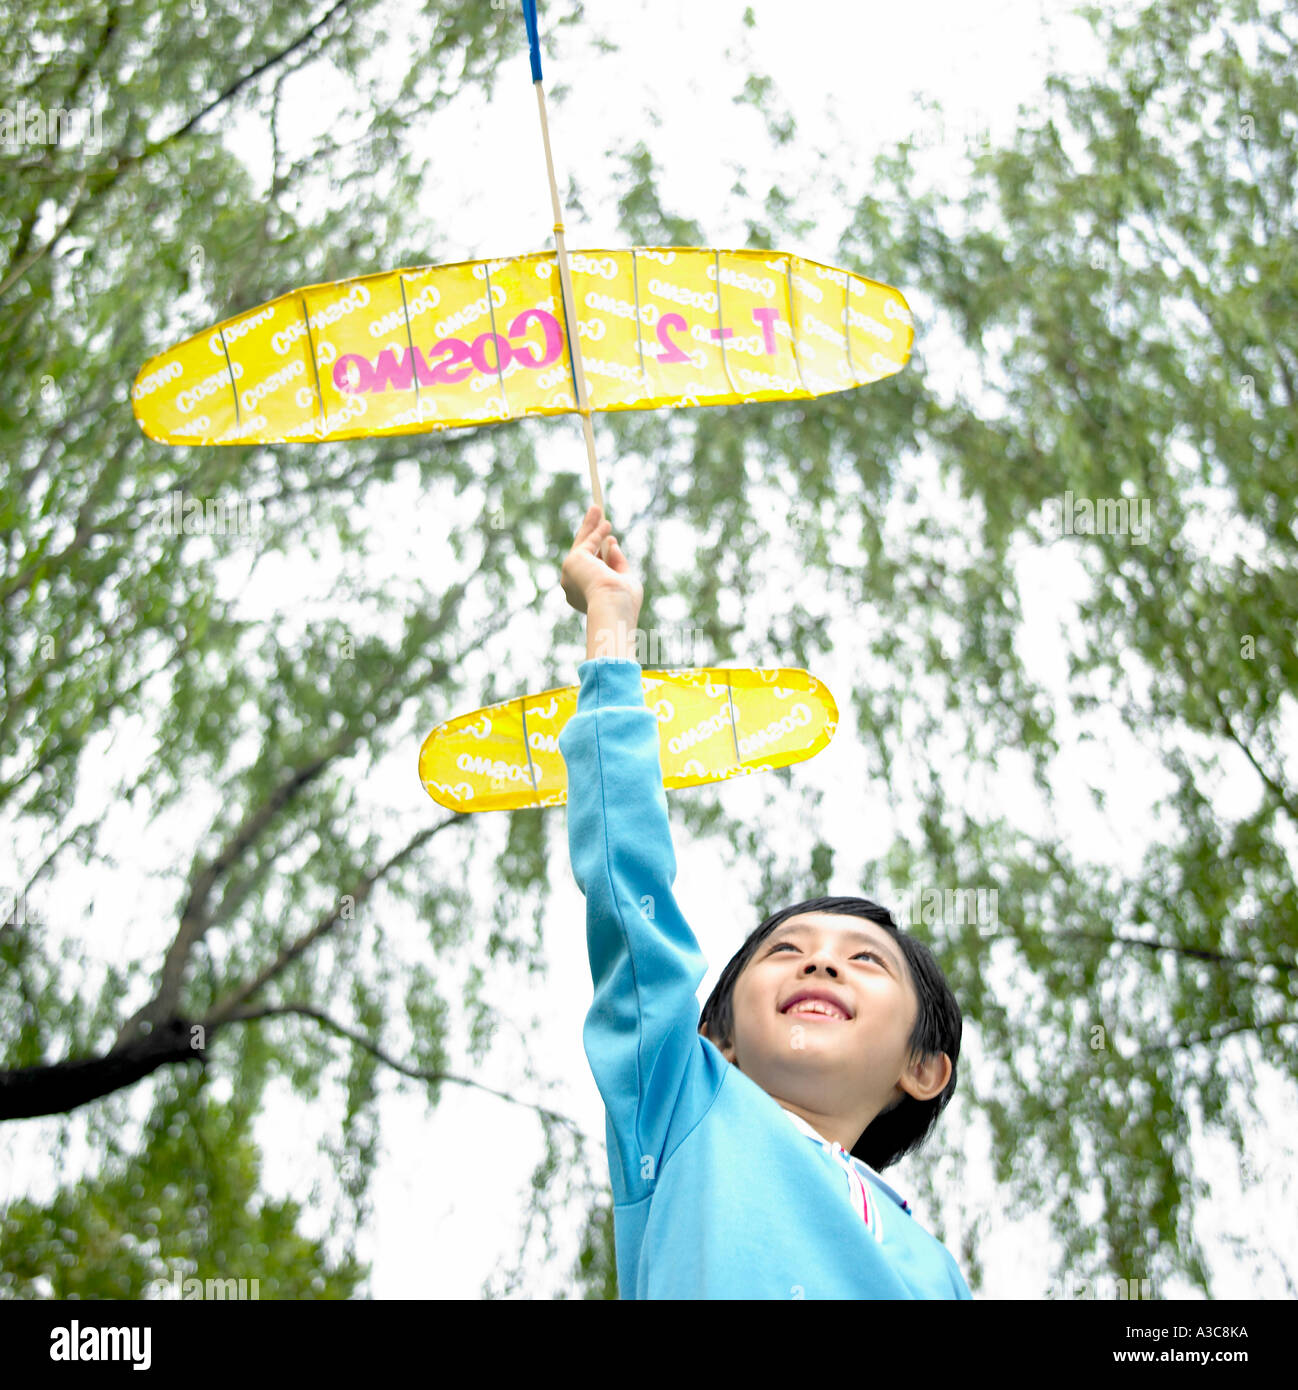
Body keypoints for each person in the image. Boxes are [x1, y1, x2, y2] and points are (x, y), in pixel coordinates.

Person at [557, 504, 972, 1299]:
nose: (819, 958)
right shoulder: (681, 1104)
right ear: (717, 1035)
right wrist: (610, 626)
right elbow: (628, 882)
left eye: (865, 962)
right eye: (785, 950)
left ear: (922, 1068)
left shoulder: (935, 1273)